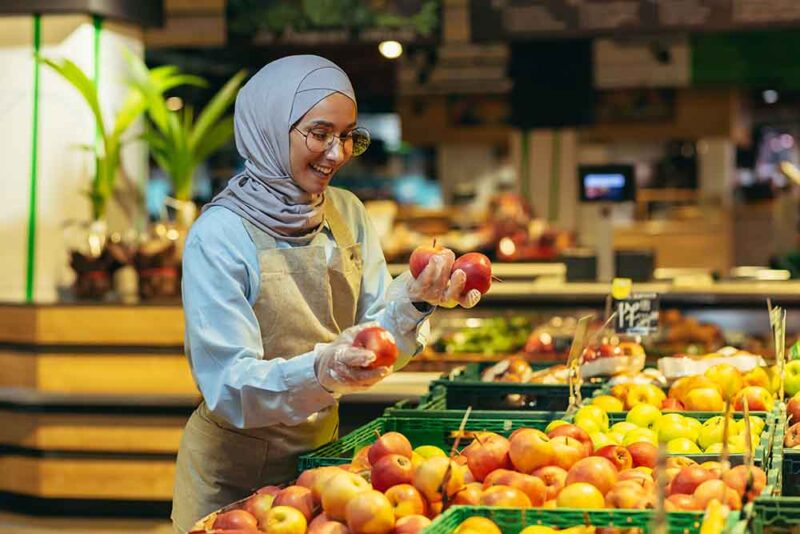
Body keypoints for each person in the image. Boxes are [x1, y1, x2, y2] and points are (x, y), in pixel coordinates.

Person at [171, 55, 481, 532]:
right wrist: (322, 367)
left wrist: (415, 302)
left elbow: (374, 344)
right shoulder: (219, 235)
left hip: (324, 463)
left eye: (348, 136)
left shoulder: (347, 213)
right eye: (320, 134)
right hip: (232, 478)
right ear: (270, 128)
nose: (336, 154)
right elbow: (229, 387)